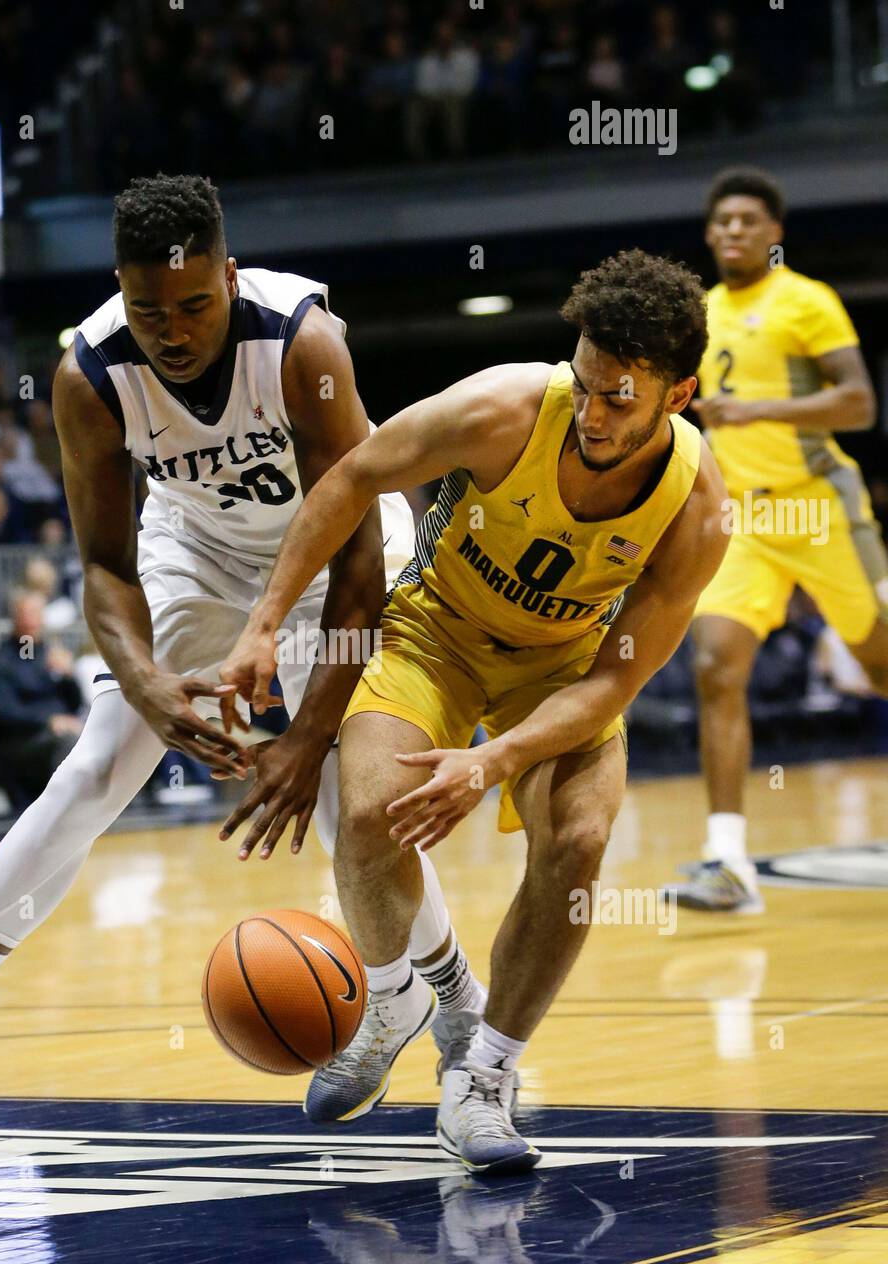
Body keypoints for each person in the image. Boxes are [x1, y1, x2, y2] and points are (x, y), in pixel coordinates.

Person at [0, 173, 471, 1127]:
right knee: (95, 767)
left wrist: (308, 736)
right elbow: (105, 566)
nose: (175, 330)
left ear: (230, 277)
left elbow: (355, 547)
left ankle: (449, 1013)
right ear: (119, 288)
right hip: (193, 552)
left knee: (350, 798)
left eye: (195, 304)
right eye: (151, 310)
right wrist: (146, 683)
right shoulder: (91, 375)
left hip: (334, 560)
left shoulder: (302, 343)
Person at [221, 250, 729, 1174]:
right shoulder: (502, 408)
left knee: (578, 838)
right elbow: (349, 479)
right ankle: (390, 1002)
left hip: (564, 666)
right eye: (583, 386)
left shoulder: (696, 507)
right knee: (371, 810)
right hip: (436, 635)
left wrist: (492, 763)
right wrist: (263, 623)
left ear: (679, 395)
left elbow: (617, 681)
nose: (592, 413)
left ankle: (483, 1080)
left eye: (620, 398)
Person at [664, 169, 885, 912]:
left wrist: (756, 409)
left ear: (774, 233)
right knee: (717, 668)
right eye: (722, 220)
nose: (734, 230)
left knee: (880, 664)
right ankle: (727, 862)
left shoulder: (806, 301)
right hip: (743, 524)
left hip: (819, 509)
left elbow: (858, 403)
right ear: (708, 233)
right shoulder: (698, 312)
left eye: (749, 220)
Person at [0, 588, 84, 805]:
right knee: (67, 741)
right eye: (25, 613)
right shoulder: (2, 660)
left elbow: (75, 704)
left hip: (58, 731)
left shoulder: (50, 653)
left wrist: (68, 676)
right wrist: (48, 721)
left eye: (36, 613)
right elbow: (4, 712)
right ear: (15, 618)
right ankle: (62, 809)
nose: (31, 620)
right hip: (21, 742)